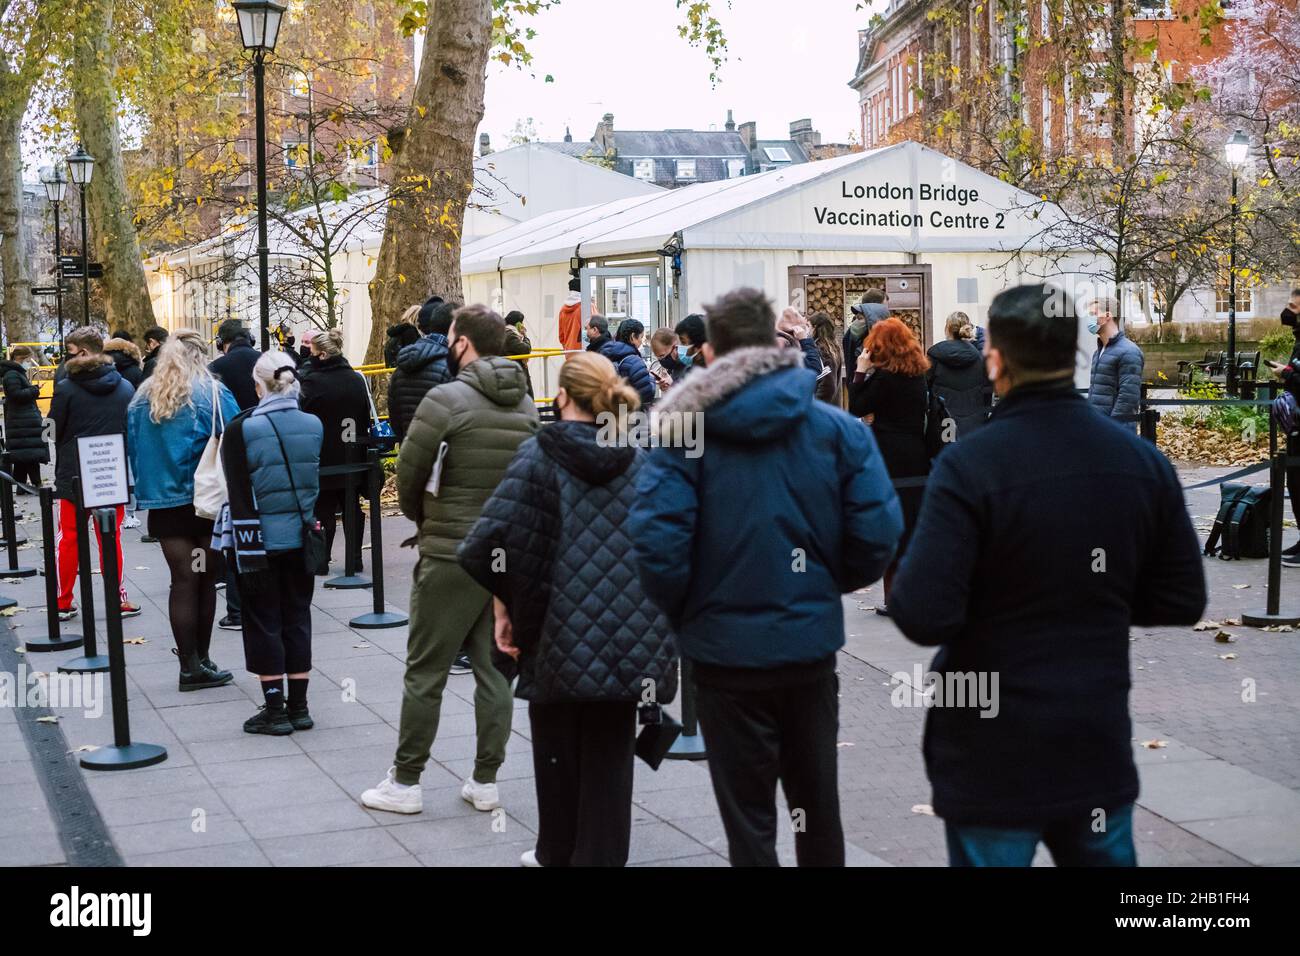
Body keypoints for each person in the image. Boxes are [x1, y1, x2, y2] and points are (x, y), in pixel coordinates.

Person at [890, 284, 1207, 866]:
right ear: (1075, 354)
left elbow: (921, 611)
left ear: (995, 359)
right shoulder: (1139, 462)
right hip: (1093, 737)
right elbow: (1182, 597)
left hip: (988, 749)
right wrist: (1096, 594)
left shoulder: (970, 465)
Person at [628, 287, 903, 867]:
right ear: (776, 342)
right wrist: (824, 586)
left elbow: (657, 545)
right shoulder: (837, 430)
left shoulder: (681, 435)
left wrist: (691, 613)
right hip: (807, 649)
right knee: (816, 804)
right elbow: (877, 532)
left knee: (748, 819)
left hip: (723, 656)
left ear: (710, 350)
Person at [458, 352, 677, 867]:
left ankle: (556, 850)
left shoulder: (538, 457)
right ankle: (600, 856)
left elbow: (491, 543)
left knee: (555, 756)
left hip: (554, 632)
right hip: (632, 638)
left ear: (561, 397)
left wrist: (504, 613)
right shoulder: (646, 458)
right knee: (610, 759)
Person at [361, 305, 539, 815]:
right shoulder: (526, 404)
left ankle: (407, 781)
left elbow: (409, 474)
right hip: (503, 556)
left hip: (450, 552)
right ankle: (485, 780)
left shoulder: (446, 399)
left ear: (460, 344)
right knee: (493, 668)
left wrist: (424, 523)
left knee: (426, 670)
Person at [127, 329, 240, 691]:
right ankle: (201, 660)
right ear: (201, 356)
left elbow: (133, 448)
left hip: (164, 507)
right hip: (204, 504)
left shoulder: (143, 398)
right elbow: (236, 435)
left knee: (182, 581)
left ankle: (190, 663)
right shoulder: (213, 393)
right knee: (204, 579)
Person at [218, 351, 323, 735]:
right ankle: (301, 705)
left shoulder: (241, 428)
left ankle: (275, 708)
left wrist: (243, 550)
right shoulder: (313, 424)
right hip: (301, 535)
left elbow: (238, 492)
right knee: (297, 616)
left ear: (258, 384)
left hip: (257, 540)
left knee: (263, 621)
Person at [49, 328, 140, 621]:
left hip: (73, 472)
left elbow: (53, 429)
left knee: (69, 538)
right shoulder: (125, 387)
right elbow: (131, 429)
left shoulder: (65, 388)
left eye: (70, 352)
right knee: (110, 537)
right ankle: (118, 598)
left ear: (84, 353)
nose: (66, 358)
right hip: (109, 470)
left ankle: (63, 600)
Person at [848, 317, 930, 614]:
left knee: (891, 522)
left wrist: (859, 371)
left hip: (887, 452)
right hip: (916, 452)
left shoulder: (884, 378)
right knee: (911, 520)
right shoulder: (917, 374)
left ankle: (894, 596)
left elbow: (856, 406)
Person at [298, 328, 370, 575]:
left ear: (323, 355)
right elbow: (364, 416)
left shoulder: (312, 383)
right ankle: (355, 558)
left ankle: (321, 559)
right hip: (353, 455)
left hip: (323, 455)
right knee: (352, 507)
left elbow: (302, 416)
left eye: (313, 353)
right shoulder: (356, 379)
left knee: (323, 510)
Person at [208, 318, 260, 632]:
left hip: (229, 445)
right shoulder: (264, 361)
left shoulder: (216, 368)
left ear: (222, 342)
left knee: (233, 515)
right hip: (263, 442)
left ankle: (234, 599)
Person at [387, 299, 455, 442]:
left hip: (410, 449)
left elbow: (395, 421)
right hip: (443, 454)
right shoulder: (452, 367)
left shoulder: (399, 372)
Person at [927, 311, 991, 437]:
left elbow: (926, 387)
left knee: (946, 452)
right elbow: (987, 391)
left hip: (944, 420)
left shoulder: (934, 355)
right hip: (973, 422)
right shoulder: (979, 358)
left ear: (947, 328)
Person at [1086, 294, 1144, 424]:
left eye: (1093, 314)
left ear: (1107, 316)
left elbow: (1128, 399)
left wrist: (1111, 429)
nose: (1089, 319)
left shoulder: (1130, 352)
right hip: (1098, 428)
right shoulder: (1098, 352)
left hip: (1115, 433)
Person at [0, 346, 49, 491]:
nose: (29, 362)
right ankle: (36, 483)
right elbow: (16, 395)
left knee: (24, 454)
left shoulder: (15, 373)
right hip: (22, 420)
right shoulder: (12, 375)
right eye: (28, 359)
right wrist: (33, 391)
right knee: (30, 453)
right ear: (21, 358)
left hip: (22, 420)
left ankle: (21, 486)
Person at [596, 318, 655, 407]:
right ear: (632, 337)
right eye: (641, 337)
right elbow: (647, 394)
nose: (641, 342)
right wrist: (651, 378)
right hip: (630, 414)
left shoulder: (604, 355)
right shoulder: (634, 361)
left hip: (608, 411)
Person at [843, 288, 889, 372]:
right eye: (884, 306)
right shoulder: (873, 331)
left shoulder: (853, 328)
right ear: (874, 307)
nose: (886, 310)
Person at [809, 311, 844, 405]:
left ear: (815, 327)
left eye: (808, 326)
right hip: (832, 408)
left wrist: (815, 407)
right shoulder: (832, 346)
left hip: (824, 411)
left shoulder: (822, 349)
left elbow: (828, 385)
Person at [503, 310, 534, 397]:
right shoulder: (511, 335)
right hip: (517, 372)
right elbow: (526, 349)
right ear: (518, 323)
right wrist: (525, 336)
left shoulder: (504, 332)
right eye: (522, 322)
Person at [384, 304, 423, 368]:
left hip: (395, 366)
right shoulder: (410, 331)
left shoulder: (401, 329)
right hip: (405, 369)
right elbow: (413, 352)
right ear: (416, 316)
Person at [558, 277, 583, 352]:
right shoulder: (587, 307)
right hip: (584, 352)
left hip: (569, 351)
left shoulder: (563, 309)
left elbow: (561, 335)